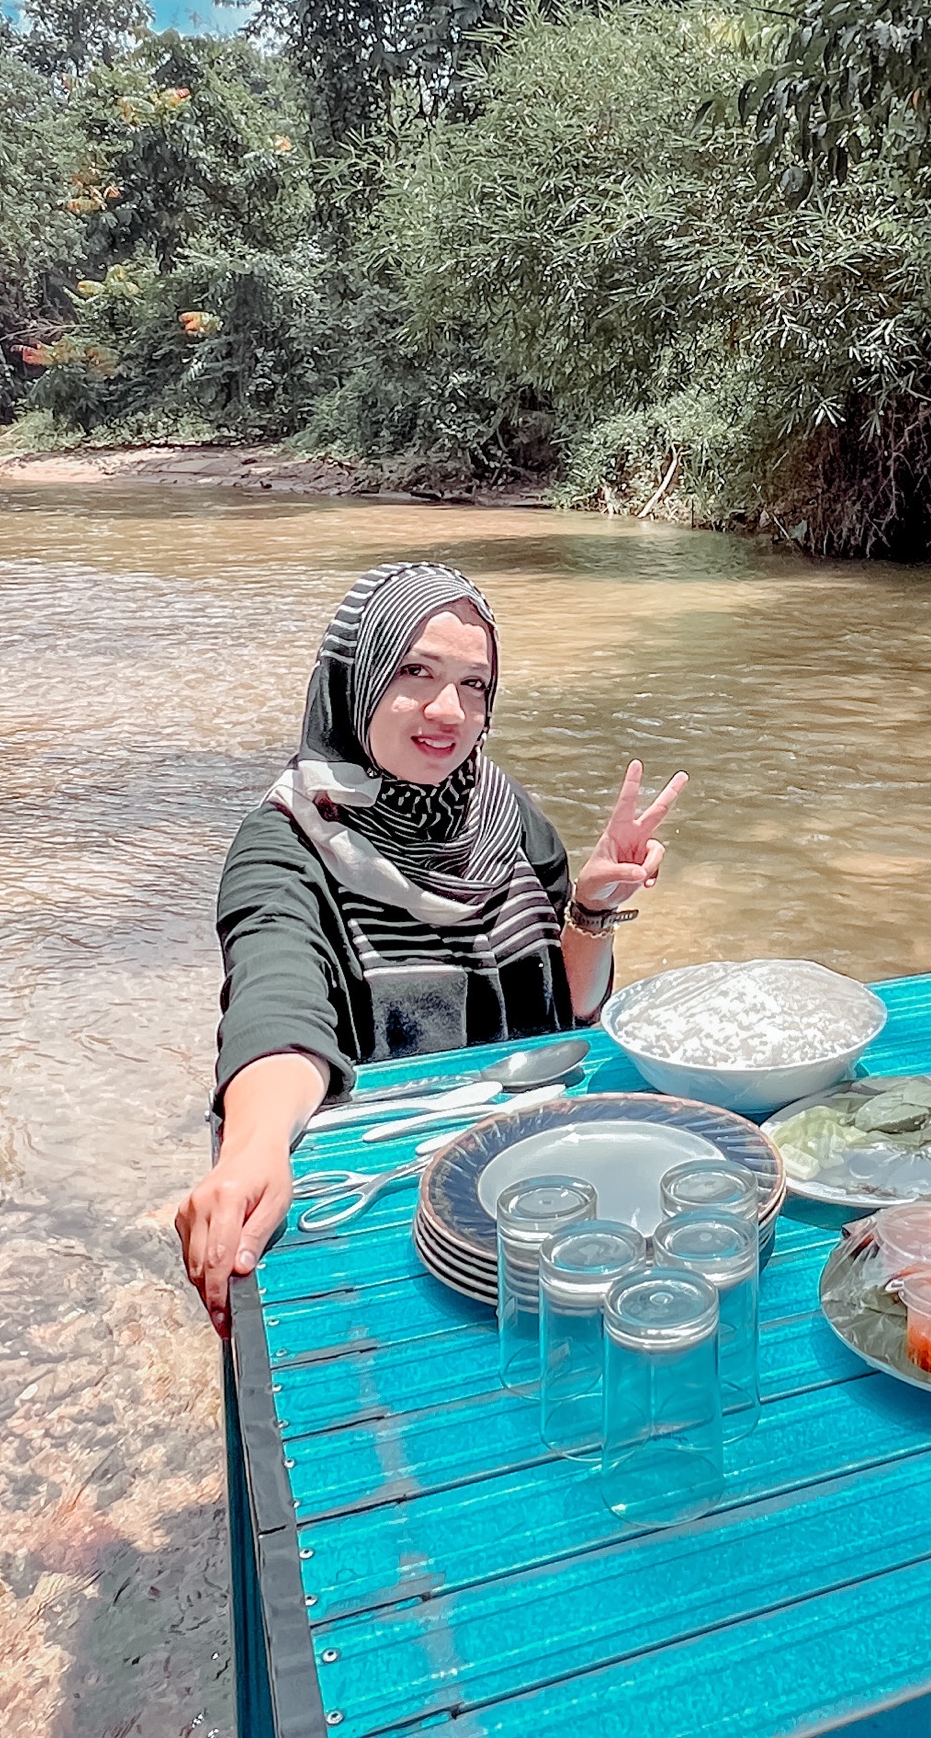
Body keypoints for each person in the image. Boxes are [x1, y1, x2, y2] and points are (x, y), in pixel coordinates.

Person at [175, 562, 686, 1335]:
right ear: (355, 675)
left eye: (474, 684)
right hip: (386, 1201)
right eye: (415, 671)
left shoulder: (506, 816)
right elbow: (277, 1006)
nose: (449, 710)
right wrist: (253, 1146)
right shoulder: (285, 848)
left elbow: (569, 1016)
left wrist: (590, 909)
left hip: (532, 1184)